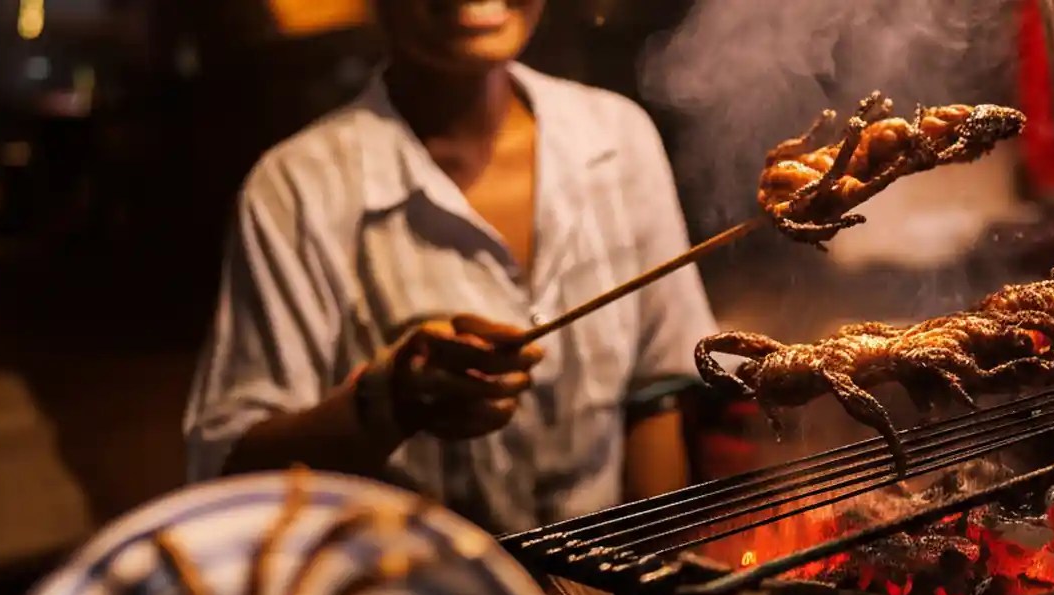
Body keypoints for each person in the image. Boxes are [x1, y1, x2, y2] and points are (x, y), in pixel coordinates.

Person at [183, 0, 718, 534]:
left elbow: (655, 393)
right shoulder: (297, 189)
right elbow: (230, 471)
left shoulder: (618, 139)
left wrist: (657, 592)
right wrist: (386, 402)